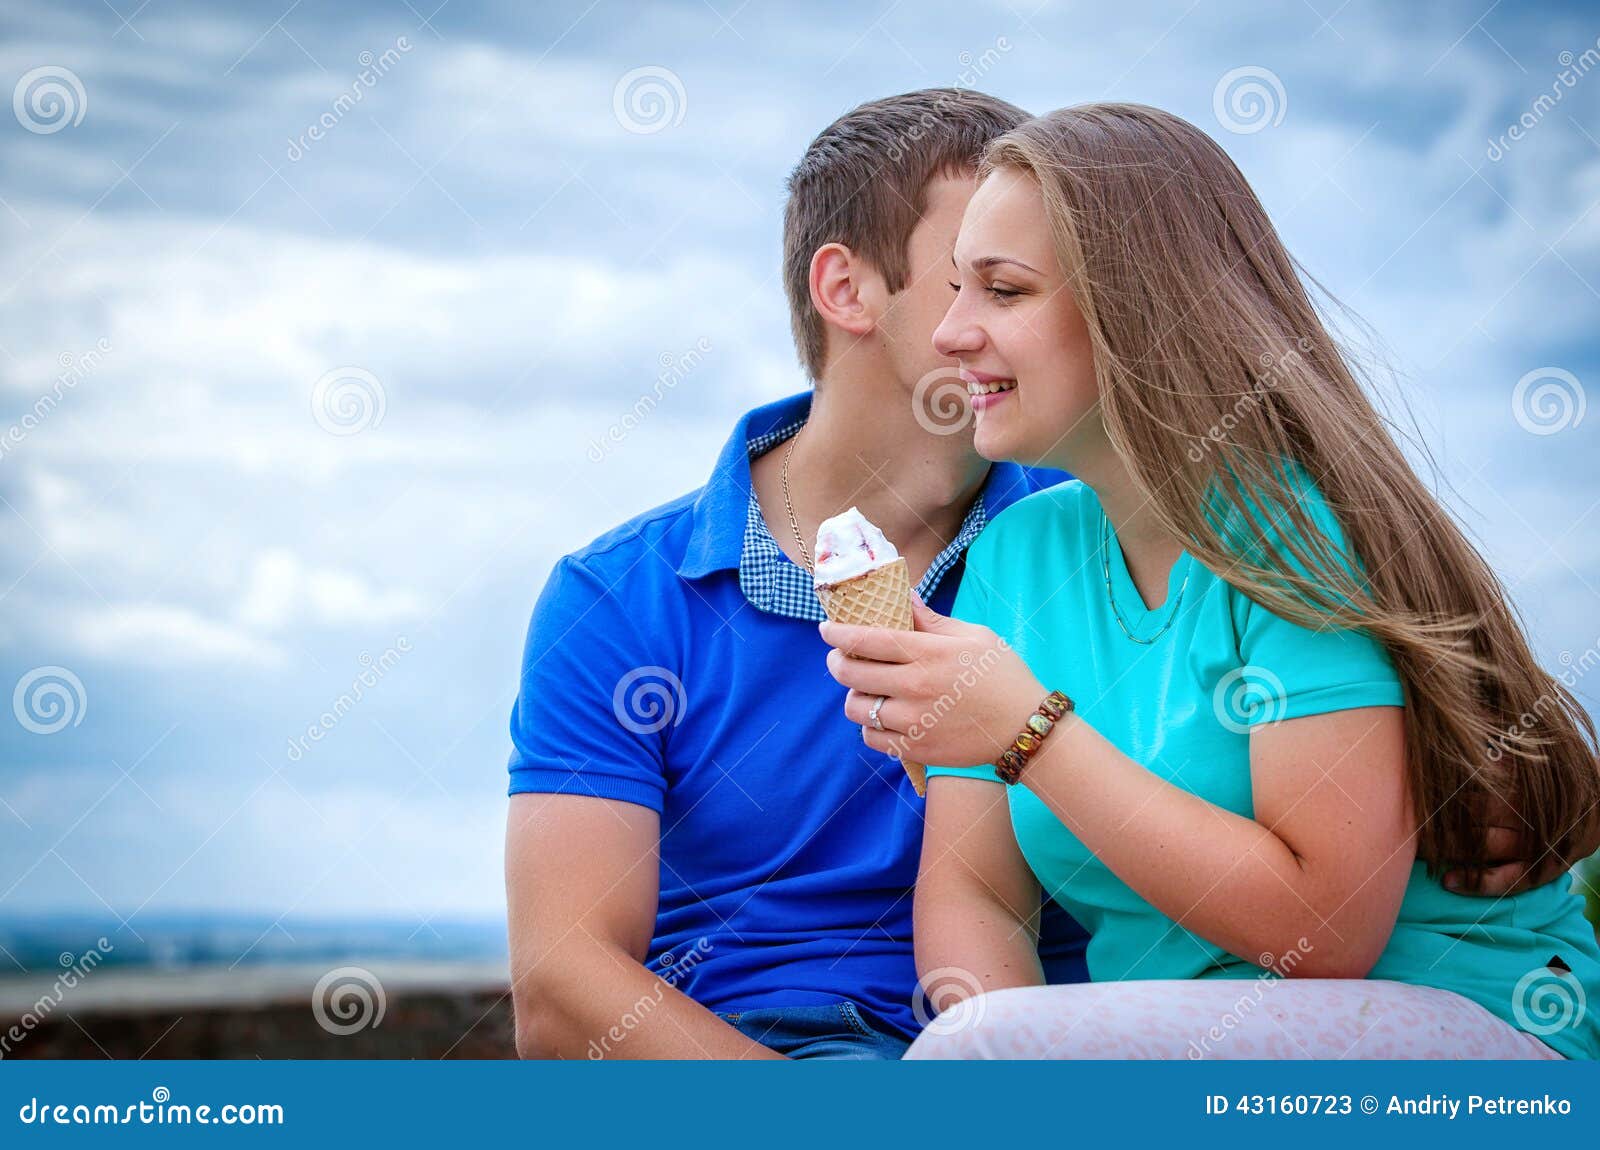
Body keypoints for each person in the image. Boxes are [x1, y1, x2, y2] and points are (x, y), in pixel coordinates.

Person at [818, 103, 1600, 1060]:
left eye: (1003, 290)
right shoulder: (1016, 556)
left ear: (1139, 311)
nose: (950, 333)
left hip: (1465, 1041)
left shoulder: (1295, 536)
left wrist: (1030, 732)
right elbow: (976, 896)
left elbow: (1326, 934)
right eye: (953, 289)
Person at [503, 89, 1089, 1061]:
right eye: (971, 274)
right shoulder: (618, 597)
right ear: (846, 289)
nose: (1034, 314)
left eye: (1027, 279)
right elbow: (562, 987)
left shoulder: (1101, 539)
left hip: (1052, 1049)